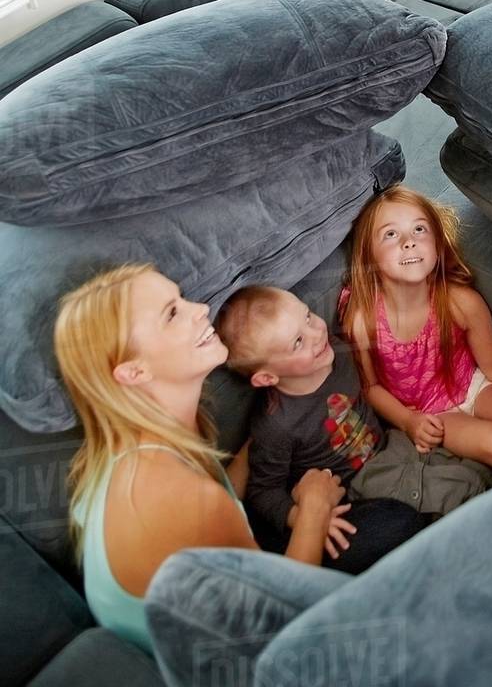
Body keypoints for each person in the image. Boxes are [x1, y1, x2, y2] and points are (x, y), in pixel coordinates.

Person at [53, 263, 355, 655]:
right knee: (391, 525)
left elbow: (223, 496)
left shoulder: (135, 438)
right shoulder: (176, 497)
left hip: (224, 603)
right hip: (239, 656)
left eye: (180, 297)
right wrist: (314, 507)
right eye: (172, 313)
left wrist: (264, 440)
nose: (199, 308)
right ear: (134, 371)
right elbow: (279, 620)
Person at [215, 284, 492, 555]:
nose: (316, 333)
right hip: (359, 484)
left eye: (309, 316)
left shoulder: (336, 351)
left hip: (390, 443)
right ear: (267, 377)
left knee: (476, 471)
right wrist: (299, 517)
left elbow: (372, 385)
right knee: (458, 496)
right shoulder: (277, 426)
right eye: (298, 341)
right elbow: (263, 491)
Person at [341, 186, 492, 474]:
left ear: (438, 244)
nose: (408, 242)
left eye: (419, 229)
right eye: (390, 234)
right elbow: (370, 387)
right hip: (429, 414)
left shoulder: (460, 302)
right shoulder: (362, 321)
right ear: (368, 255)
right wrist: (407, 422)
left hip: (472, 387)